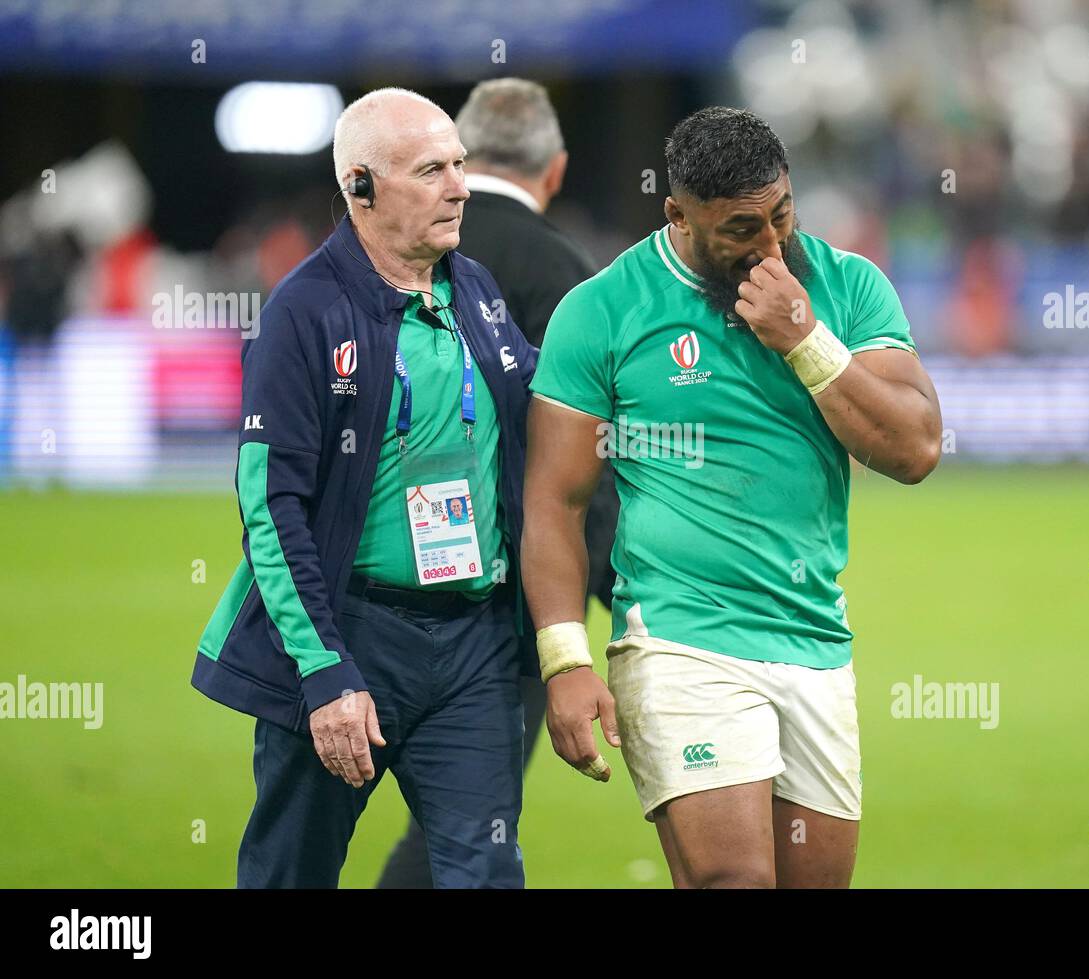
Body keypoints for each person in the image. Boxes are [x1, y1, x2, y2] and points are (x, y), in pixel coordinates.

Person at [521, 107, 942, 888]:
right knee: (736, 880)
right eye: (744, 228)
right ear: (677, 215)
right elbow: (555, 499)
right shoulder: (603, 309)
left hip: (813, 637)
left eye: (783, 215)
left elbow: (915, 448)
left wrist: (805, 338)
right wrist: (564, 660)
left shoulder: (845, 287)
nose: (773, 246)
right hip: (683, 638)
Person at [191, 87, 538, 888]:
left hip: (473, 642)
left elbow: (543, 413)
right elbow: (269, 508)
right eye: (431, 171)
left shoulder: (476, 291)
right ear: (361, 187)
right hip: (349, 630)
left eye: (460, 165)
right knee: (290, 873)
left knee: (485, 874)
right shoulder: (303, 312)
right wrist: (323, 669)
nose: (460, 186)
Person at [375, 77, 615, 889]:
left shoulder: (392, 242)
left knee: (307, 826)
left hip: (365, 592)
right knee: (468, 831)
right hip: (509, 605)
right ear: (555, 170)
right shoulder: (573, 278)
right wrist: (626, 594)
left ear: (464, 160)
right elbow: (588, 460)